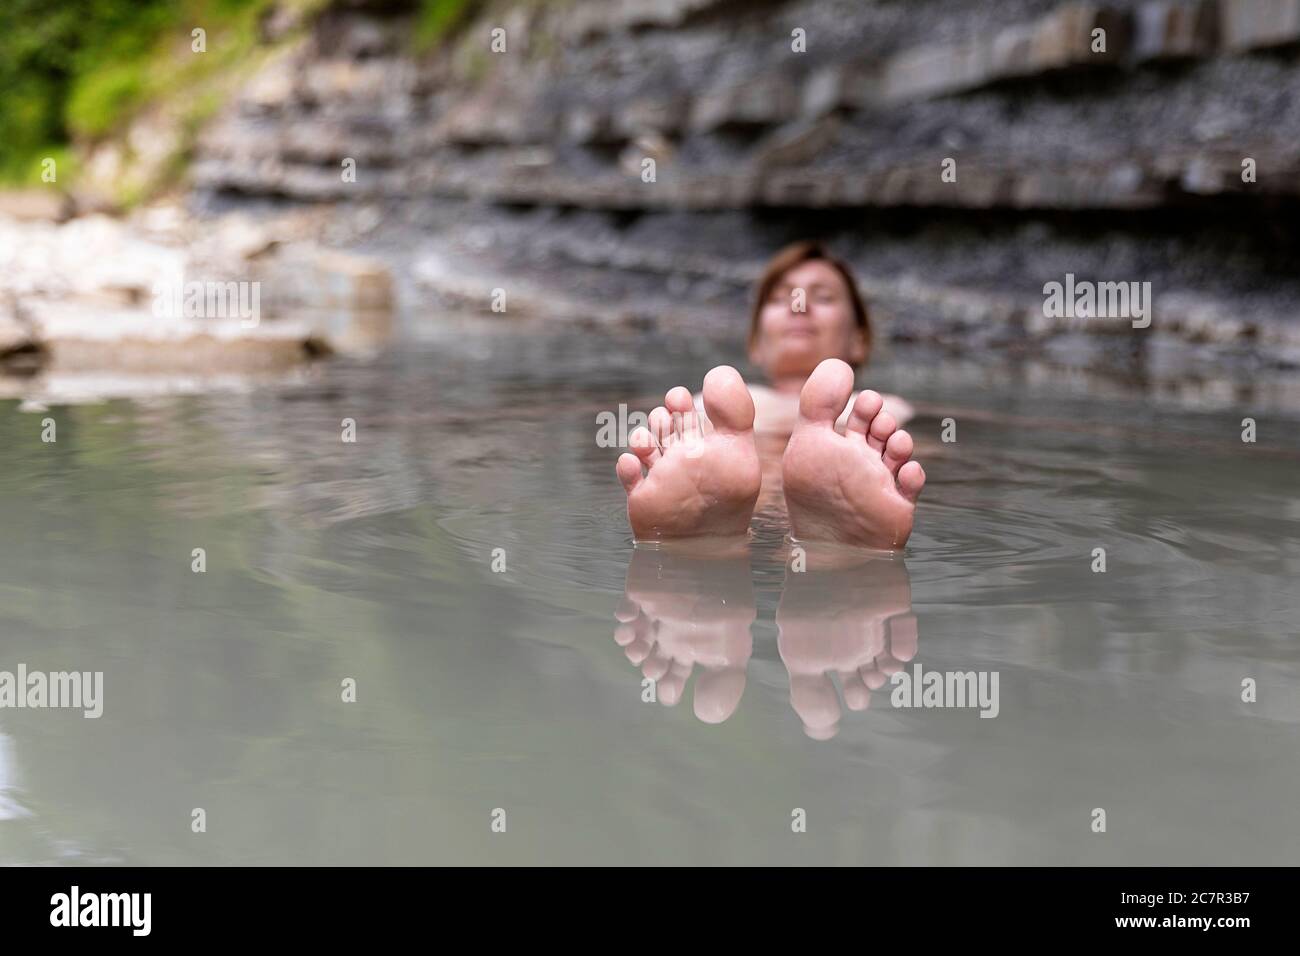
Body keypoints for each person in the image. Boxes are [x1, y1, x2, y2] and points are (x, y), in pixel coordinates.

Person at [615, 241, 926, 550]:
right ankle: (821, 547)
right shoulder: (712, 404)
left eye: (824, 297)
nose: (798, 305)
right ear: (755, 342)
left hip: (812, 481)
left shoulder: (884, 409)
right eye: (779, 298)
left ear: (860, 339)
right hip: (760, 483)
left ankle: (711, 543)